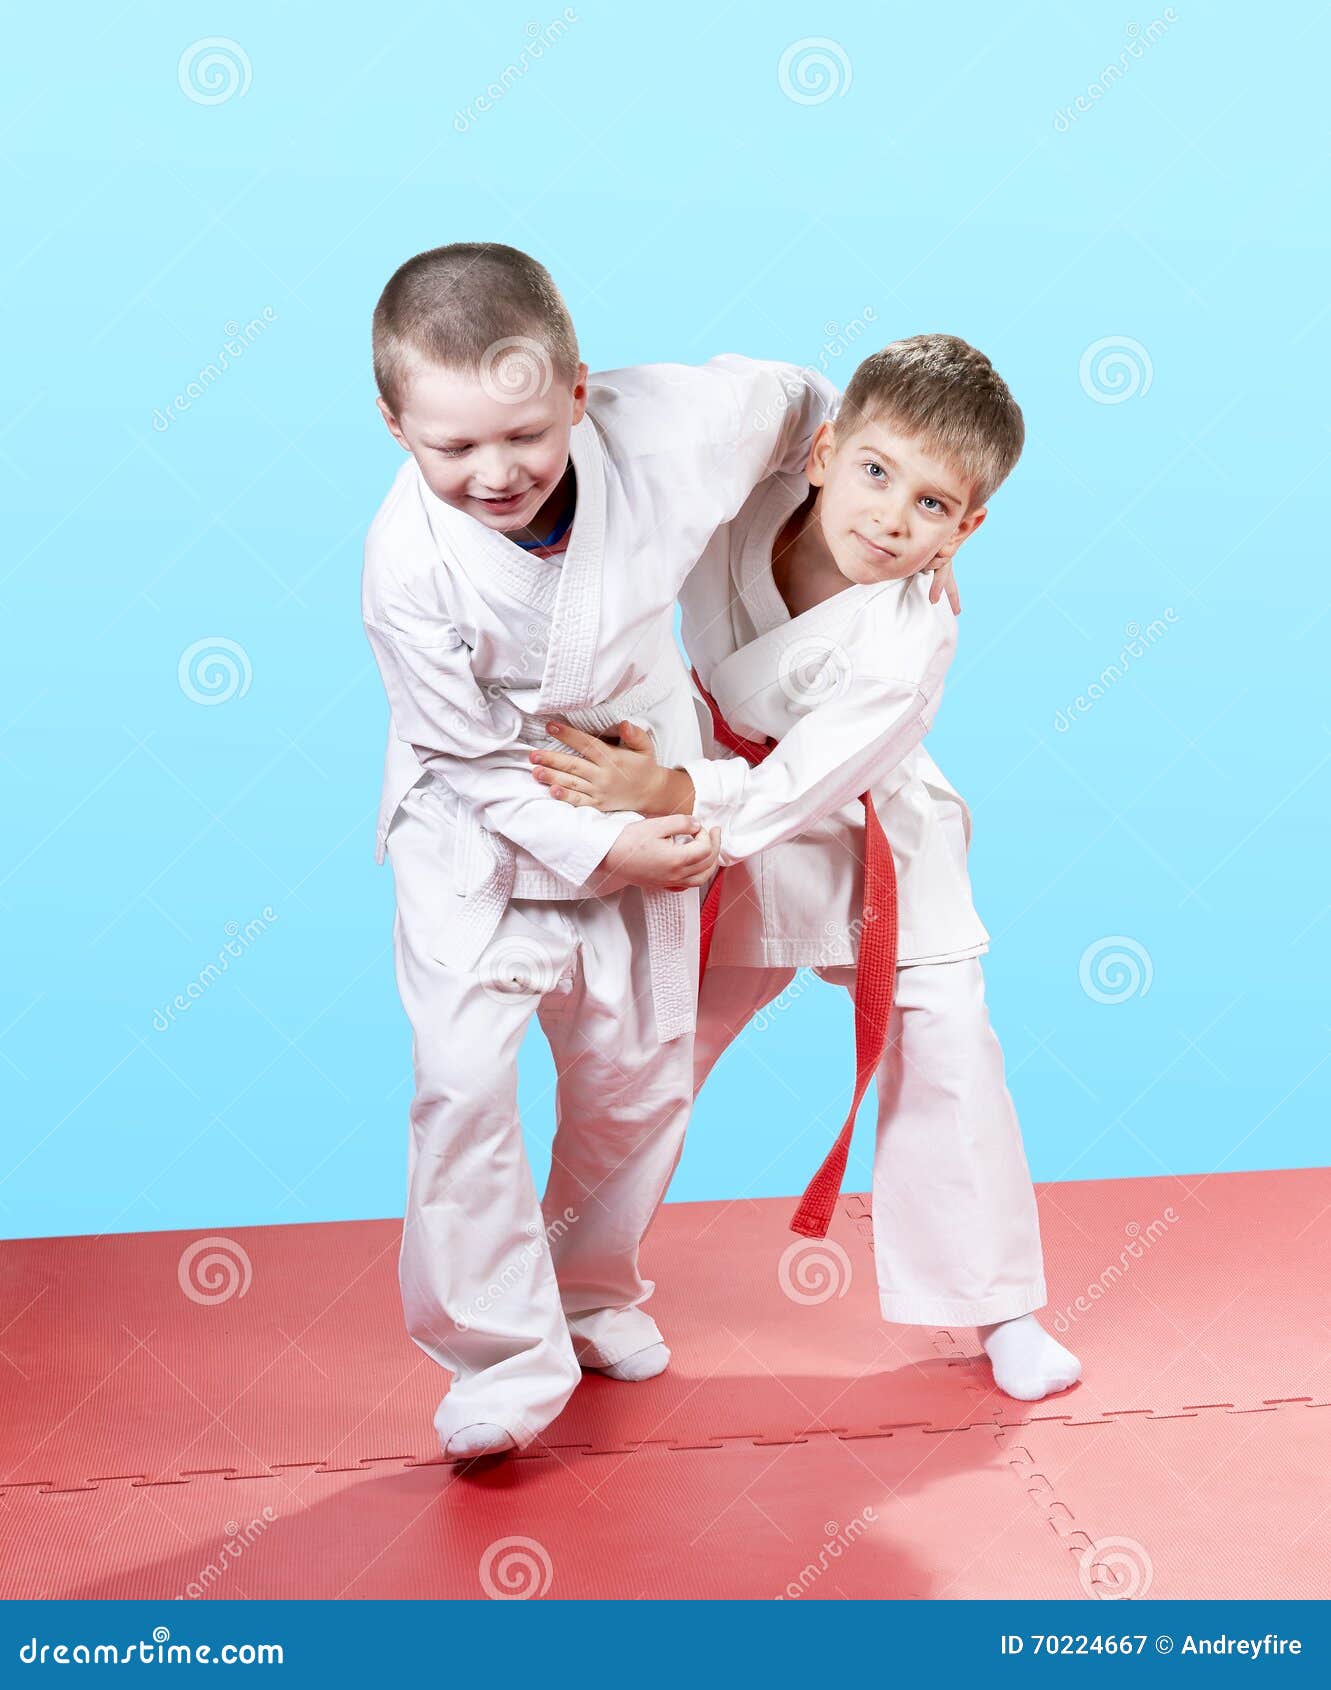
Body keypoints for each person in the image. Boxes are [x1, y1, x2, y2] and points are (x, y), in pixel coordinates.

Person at [530, 334, 1081, 1402]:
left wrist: (668, 797)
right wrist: (672, 784)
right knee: (654, 1044)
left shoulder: (907, 639)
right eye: (875, 473)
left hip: (866, 833)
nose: (890, 517)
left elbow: (802, 785)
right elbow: (685, 418)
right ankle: (581, 1290)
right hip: (710, 797)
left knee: (947, 1041)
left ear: (966, 531)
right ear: (823, 450)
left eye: (933, 507)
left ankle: (998, 1308)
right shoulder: (746, 487)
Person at [362, 241, 838, 1457]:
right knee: (462, 1074)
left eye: (522, 433)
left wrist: (869, 522)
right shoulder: (406, 567)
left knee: (636, 1069)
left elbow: (801, 404)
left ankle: (589, 1291)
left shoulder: (671, 425)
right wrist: (611, 847)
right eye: (450, 446)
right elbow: (469, 762)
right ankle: (496, 1359)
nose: (493, 472)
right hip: (477, 811)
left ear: (578, 387)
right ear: (392, 422)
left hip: (642, 748)